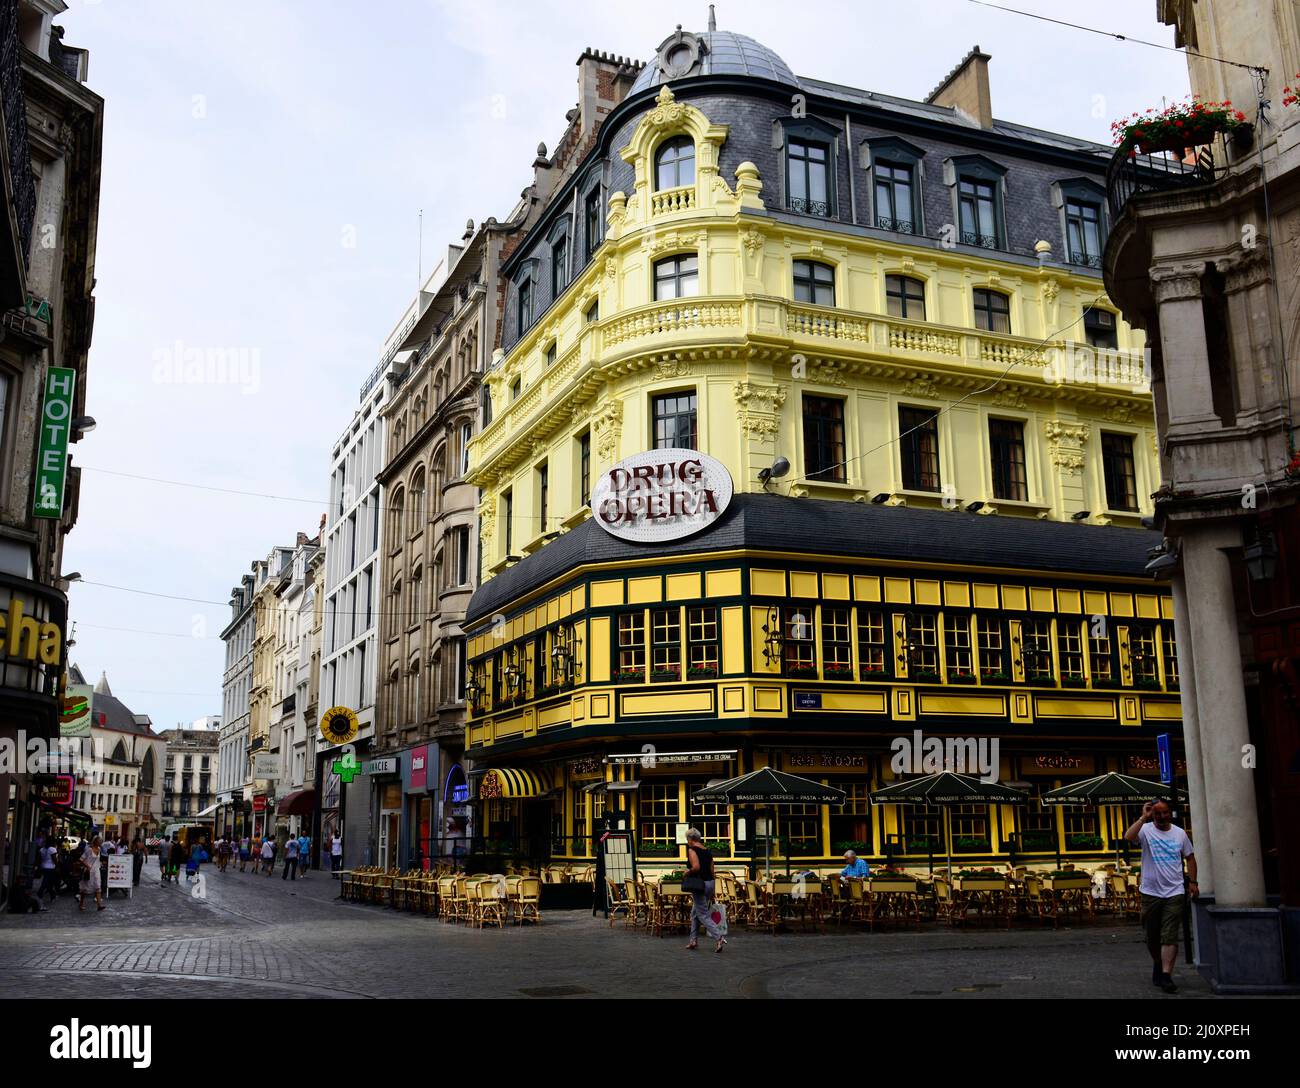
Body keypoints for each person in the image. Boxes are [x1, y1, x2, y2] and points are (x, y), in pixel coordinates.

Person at [1125, 799, 1197, 994]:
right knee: (1152, 937)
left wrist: (1193, 882)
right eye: (1158, 813)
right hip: (1150, 893)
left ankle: (1166, 975)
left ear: (1169, 812)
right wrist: (1143, 817)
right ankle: (1158, 962)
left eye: (1165, 812)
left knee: (1170, 935)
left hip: (1175, 891)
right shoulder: (1146, 830)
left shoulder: (1179, 833)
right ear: (1152, 814)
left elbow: (1190, 857)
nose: (1163, 816)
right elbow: (1127, 836)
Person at [682, 828, 726, 953]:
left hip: (699, 885)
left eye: (687, 840)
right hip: (710, 883)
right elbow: (712, 870)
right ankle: (693, 941)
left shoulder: (692, 850)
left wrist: (687, 872)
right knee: (695, 913)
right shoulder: (707, 851)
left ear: (690, 840)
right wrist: (713, 890)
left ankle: (719, 937)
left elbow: (696, 867)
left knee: (702, 914)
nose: (687, 842)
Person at [78, 837, 104, 911]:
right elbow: (81, 859)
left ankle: (99, 905)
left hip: (96, 871)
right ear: (95, 842)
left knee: (98, 887)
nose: (100, 843)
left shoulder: (99, 849)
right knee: (85, 889)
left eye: (101, 842)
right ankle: (81, 904)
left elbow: (98, 860)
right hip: (88, 872)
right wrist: (87, 866)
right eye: (99, 842)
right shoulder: (89, 850)